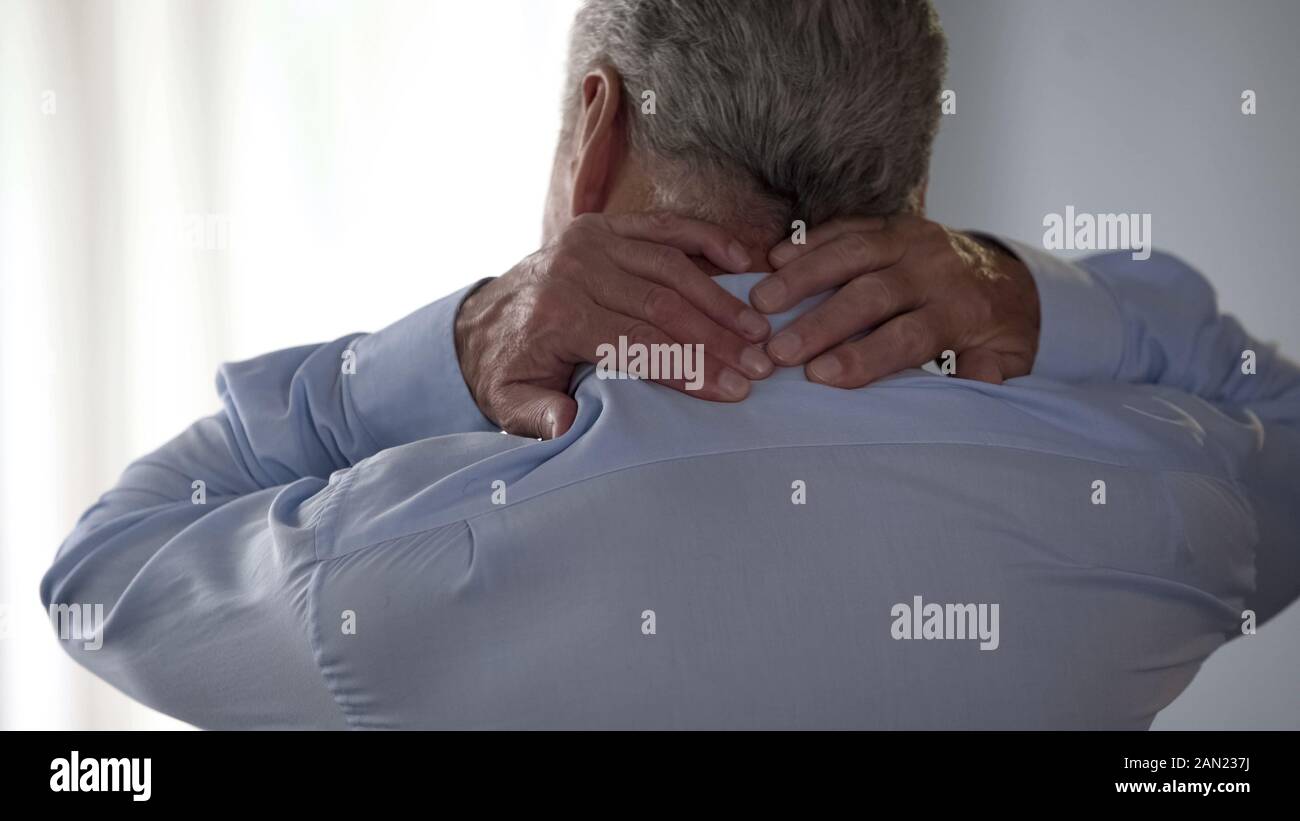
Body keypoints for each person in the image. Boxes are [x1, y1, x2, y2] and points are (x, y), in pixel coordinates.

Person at [41, 0, 1300, 728]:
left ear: (593, 139)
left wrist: (449, 348)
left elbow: (100, 572)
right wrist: (1036, 294)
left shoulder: (401, 556)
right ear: (913, 180)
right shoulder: (1150, 507)